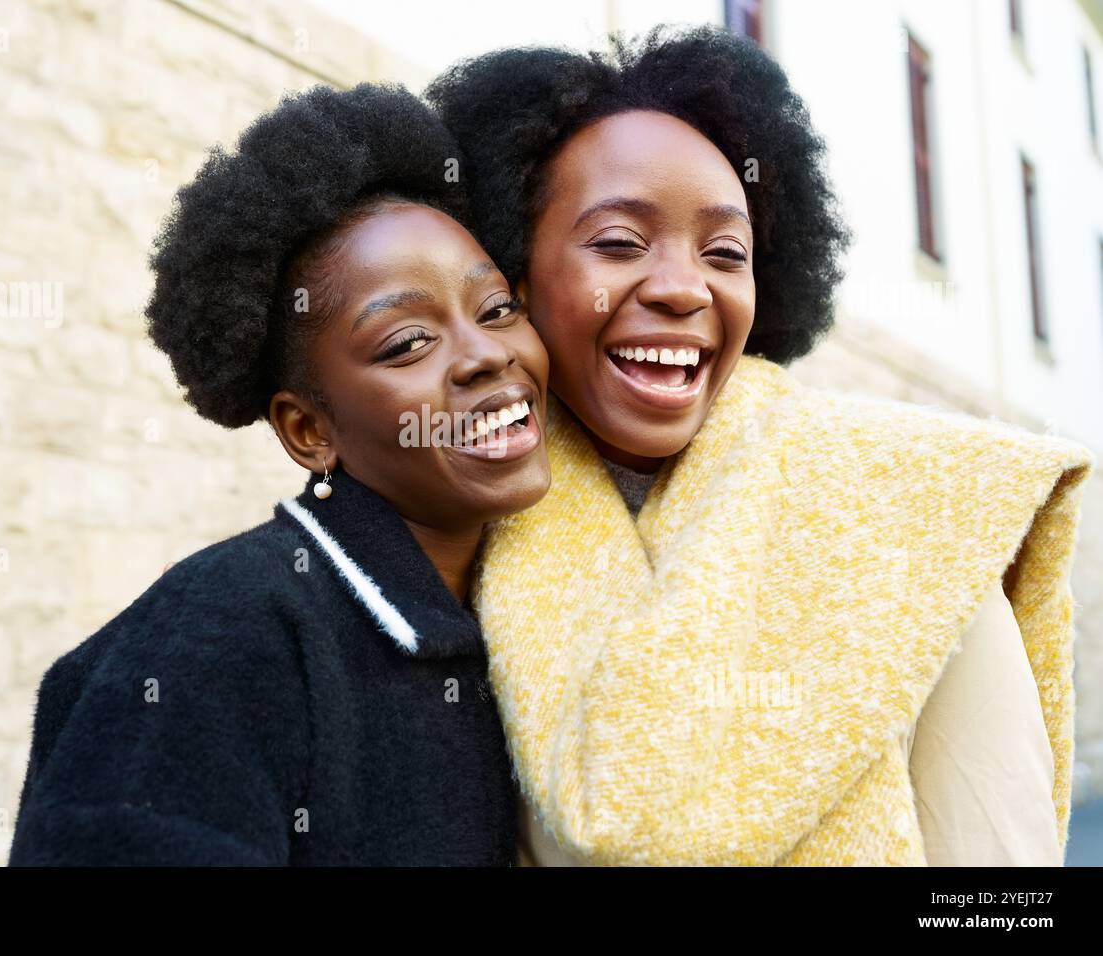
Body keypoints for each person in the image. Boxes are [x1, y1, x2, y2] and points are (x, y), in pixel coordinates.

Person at [427, 24, 1095, 865]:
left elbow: (998, 862)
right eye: (619, 243)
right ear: (512, 275)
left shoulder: (922, 514)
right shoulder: (456, 520)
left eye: (725, 253)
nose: (680, 287)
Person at [8, 83, 551, 865]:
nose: (487, 355)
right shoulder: (213, 641)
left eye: (498, 309)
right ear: (309, 431)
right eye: (407, 344)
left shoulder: (529, 610)